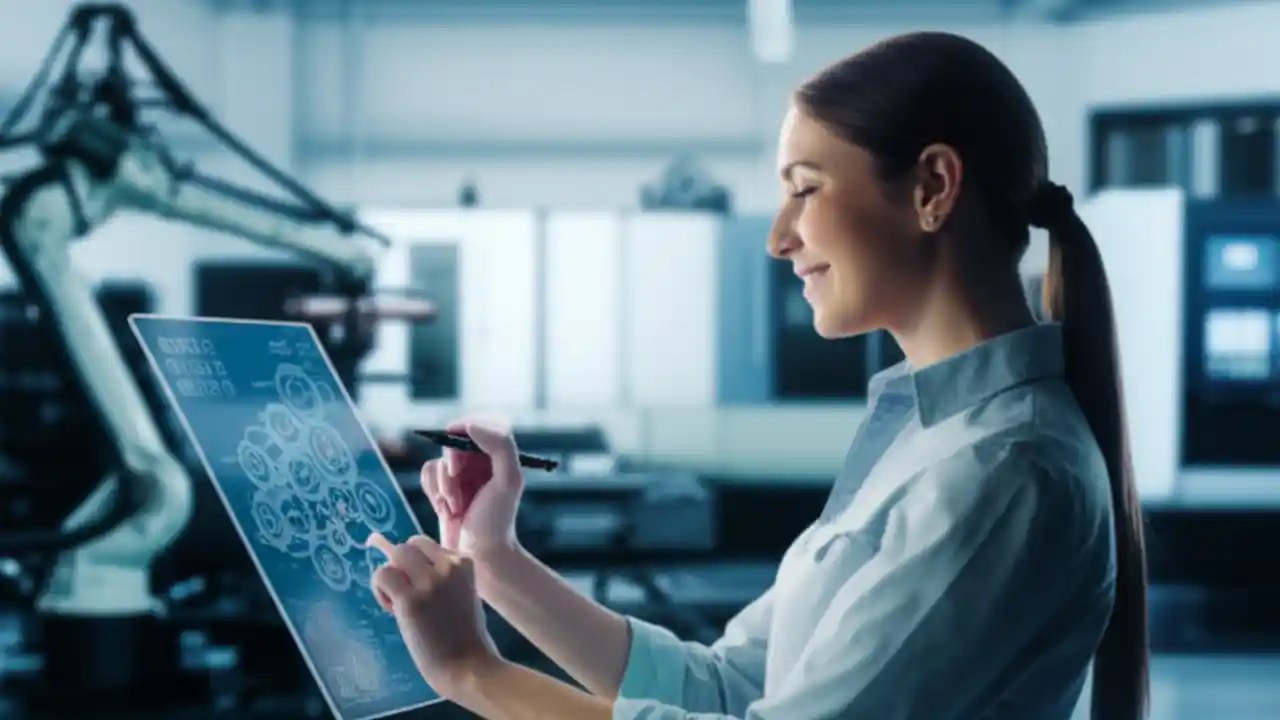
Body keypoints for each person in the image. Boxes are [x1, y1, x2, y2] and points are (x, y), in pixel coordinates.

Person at [367, 31, 1150, 720]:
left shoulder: (1002, 470)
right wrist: (496, 561)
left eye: (804, 189)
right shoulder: (929, 439)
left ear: (932, 189)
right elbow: (726, 687)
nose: (779, 237)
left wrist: (472, 671)